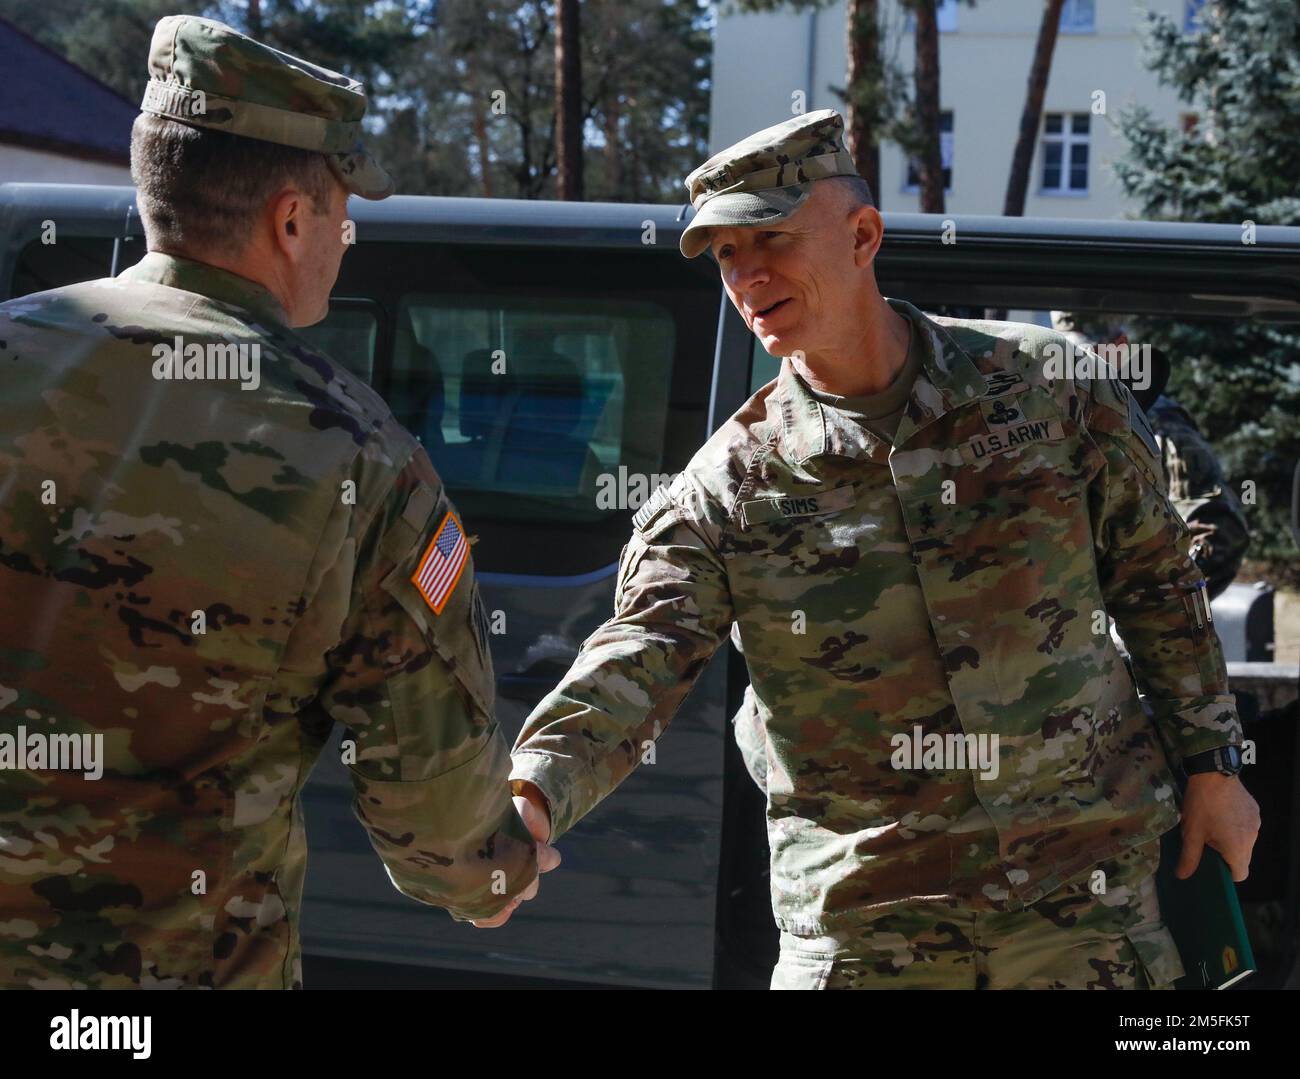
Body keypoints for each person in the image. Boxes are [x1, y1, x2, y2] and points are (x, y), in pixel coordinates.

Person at [508, 110, 1258, 989]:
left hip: (1082, 904)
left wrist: (1214, 769)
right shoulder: (725, 490)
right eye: (723, 255)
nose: (747, 275)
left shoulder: (1049, 388)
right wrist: (530, 795)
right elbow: (635, 660)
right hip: (868, 930)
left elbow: (1157, 578)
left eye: (771, 238)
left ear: (862, 234)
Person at [0, 15, 554, 990]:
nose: (348, 235)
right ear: (291, 220)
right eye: (343, 209)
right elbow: (431, 822)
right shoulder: (359, 458)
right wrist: (498, 867)